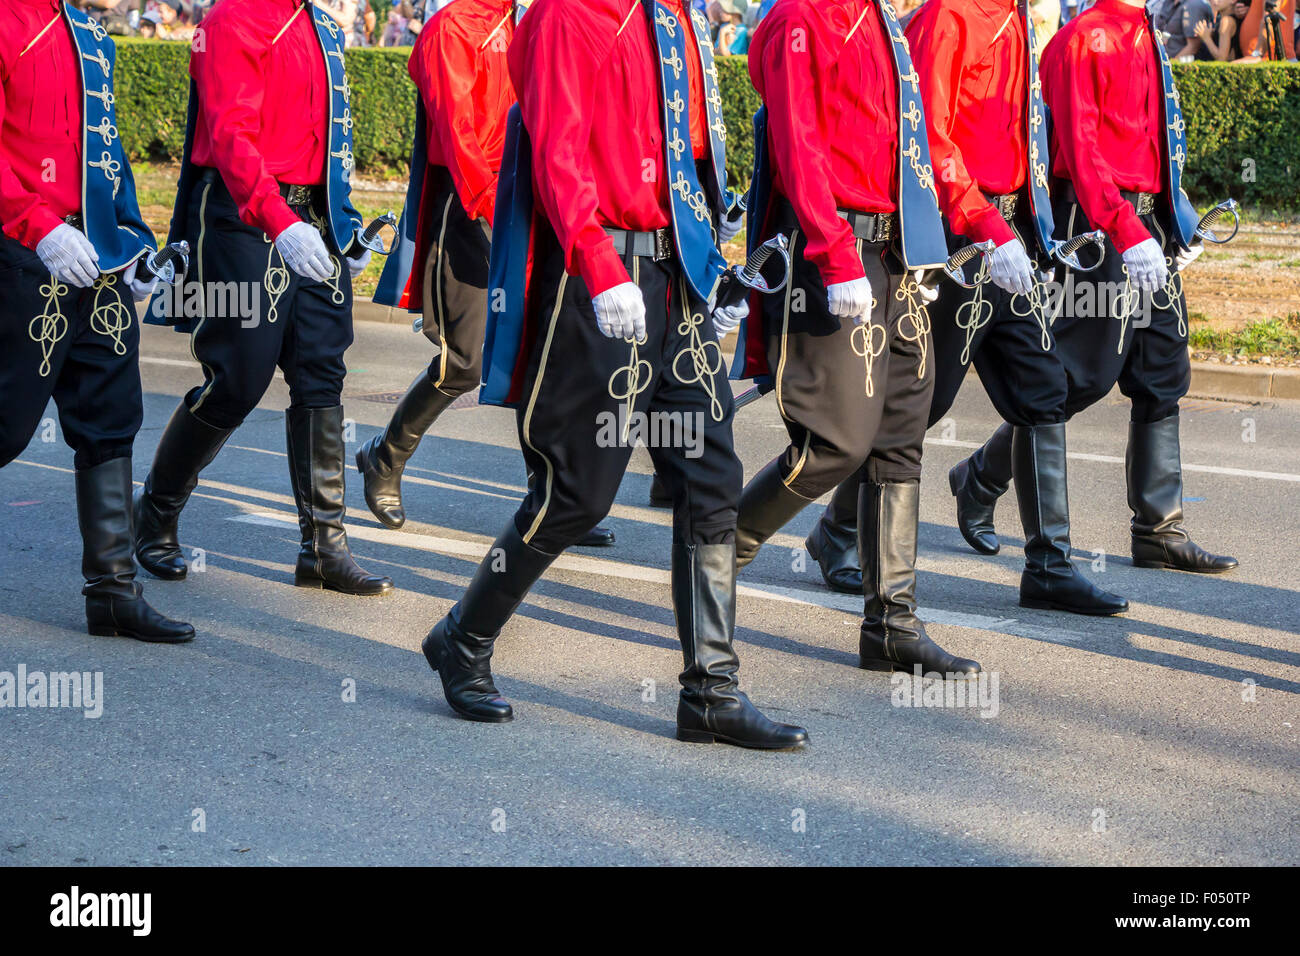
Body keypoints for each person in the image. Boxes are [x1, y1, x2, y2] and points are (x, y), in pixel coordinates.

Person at [422, 0, 807, 750]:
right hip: (599, 278)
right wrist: (601, 270)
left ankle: (711, 691)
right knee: (577, 494)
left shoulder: (672, 17)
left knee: (710, 477)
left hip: (670, 276)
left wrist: (711, 273)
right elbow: (557, 154)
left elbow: (684, 164)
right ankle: (463, 636)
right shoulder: (570, 13)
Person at [731, 0, 981, 678]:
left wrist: (979, 220)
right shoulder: (798, 19)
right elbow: (799, 147)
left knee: (900, 434)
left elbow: (917, 143)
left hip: (896, 251)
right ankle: (719, 551)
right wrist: (836, 255)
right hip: (832, 249)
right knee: (836, 439)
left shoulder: (879, 19)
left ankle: (892, 623)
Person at [952, 0, 1238, 578]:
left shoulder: (1142, 31)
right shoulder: (1084, 38)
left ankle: (1159, 530)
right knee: (1081, 376)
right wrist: (1128, 230)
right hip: (1098, 222)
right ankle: (982, 475)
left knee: (1162, 367)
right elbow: (1082, 154)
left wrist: (1174, 220)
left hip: (1146, 221)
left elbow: (1158, 146)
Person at [136, 0, 394, 596]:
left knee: (322, 374)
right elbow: (230, 135)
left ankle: (324, 548)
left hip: (311, 221)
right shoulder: (233, 17)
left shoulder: (319, 24)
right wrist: (280, 220)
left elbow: (329, 144)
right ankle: (155, 513)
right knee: (239, 376)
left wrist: (342, 225)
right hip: (240, 215)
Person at [366, 0, 615, 547]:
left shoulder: (528, 20)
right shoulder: (450, 26)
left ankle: (549, 495)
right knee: (465, 360)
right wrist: (491, 204)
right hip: (470, 204)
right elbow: (457, 132)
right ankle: (385, 455)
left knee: (534, 351)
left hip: (526, 197)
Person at [907, 0, 1128, 616]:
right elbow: (928, 134)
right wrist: (981, 224)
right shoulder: (948, 17)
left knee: (1042, 386)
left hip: (1011, 236)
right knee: (924, 397)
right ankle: (839, 531)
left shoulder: (1015, 14)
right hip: (959, 235)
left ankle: (1050, 565)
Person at [0, 0, 192, 642]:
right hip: (22, 248)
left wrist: (131, 237)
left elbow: (103, 149)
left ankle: (112, 591)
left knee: (110, 418)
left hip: (95, 256)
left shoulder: (88, 30)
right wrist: (39, 227)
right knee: (6, 423)